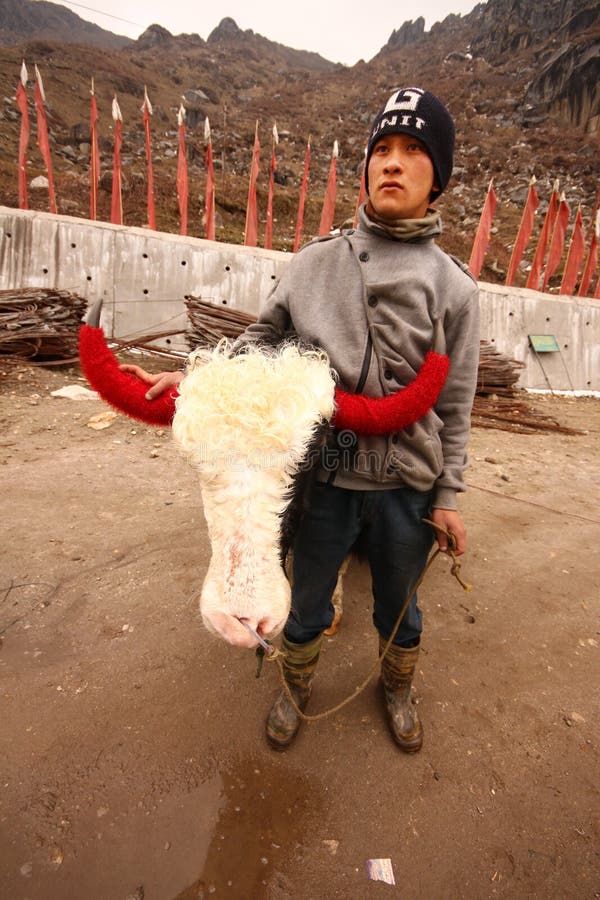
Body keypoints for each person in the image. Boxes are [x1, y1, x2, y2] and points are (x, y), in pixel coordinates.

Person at [123, 86, 480, 754]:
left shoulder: (455, 288)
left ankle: (397, 685)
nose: (392, 164)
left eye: (412, 151)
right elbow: (261, 343)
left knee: (398, 606)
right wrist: (200, 379)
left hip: (409, 484)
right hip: (326, 477)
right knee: (309, 598)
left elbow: (455, 403)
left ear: (440, 179)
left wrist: (450, 496)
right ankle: (294, 687)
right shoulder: (316, 261)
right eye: (382, 150)